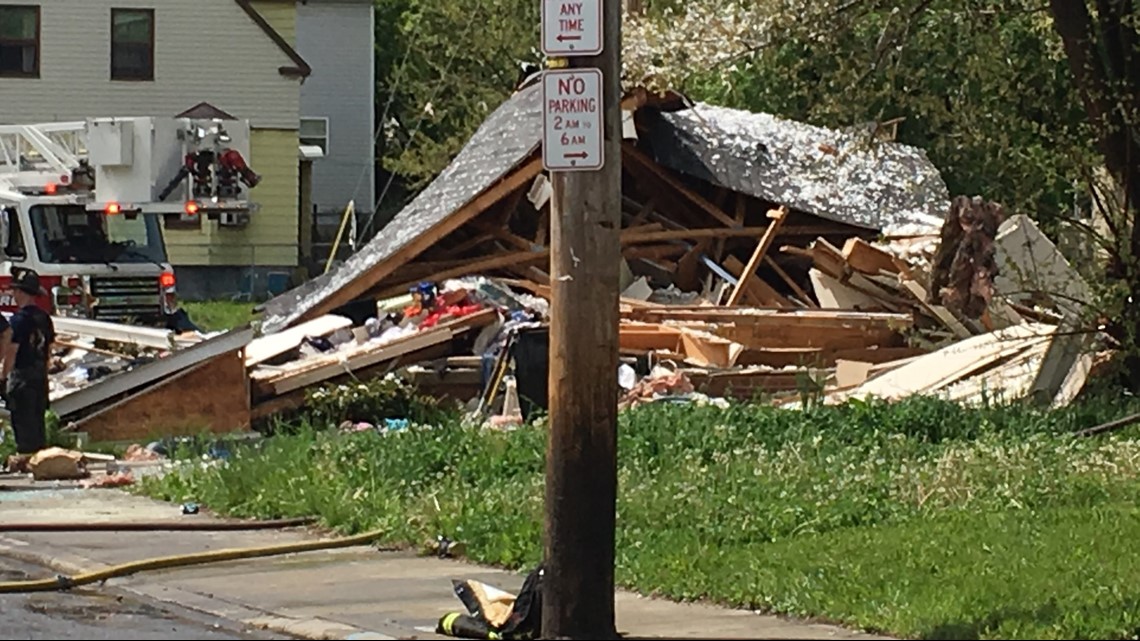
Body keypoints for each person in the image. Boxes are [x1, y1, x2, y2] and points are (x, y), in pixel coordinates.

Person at [1, 268, 55, 456]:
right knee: (37, 425)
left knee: (22, 426)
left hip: (22, 378)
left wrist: (3, 378)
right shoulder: (45, 318)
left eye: (15, 291)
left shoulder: (18, 321)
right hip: (39, 377)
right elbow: (48, 351)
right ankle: (41, 460)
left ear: (20, 292)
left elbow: (12, 352)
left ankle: (26, 461)